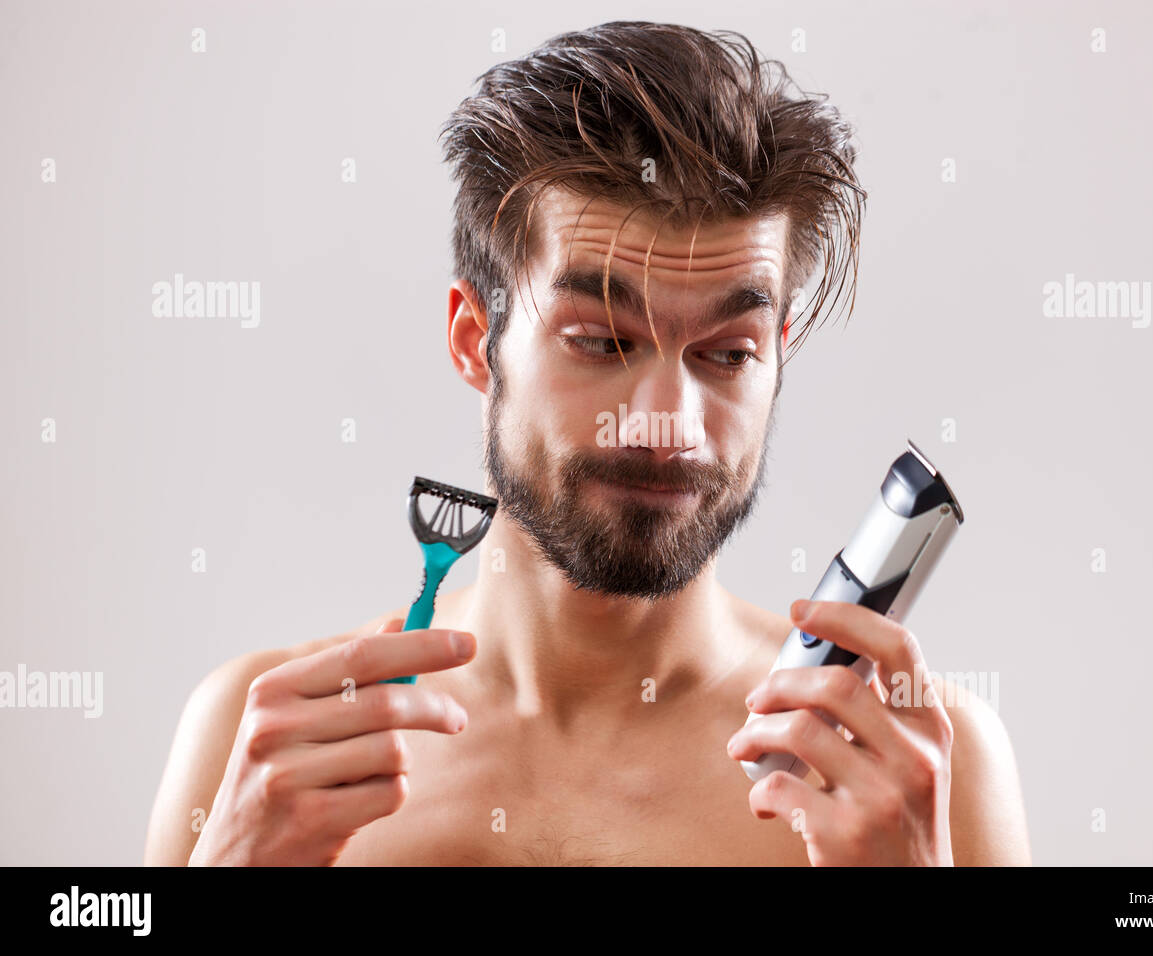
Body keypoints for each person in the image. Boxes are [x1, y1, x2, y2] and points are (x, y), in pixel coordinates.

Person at [144, 20, 1031, 866]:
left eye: (728, 354)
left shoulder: (920, 778)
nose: (668, 424)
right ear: (473, 340)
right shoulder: (254, 742)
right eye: (602, 342)